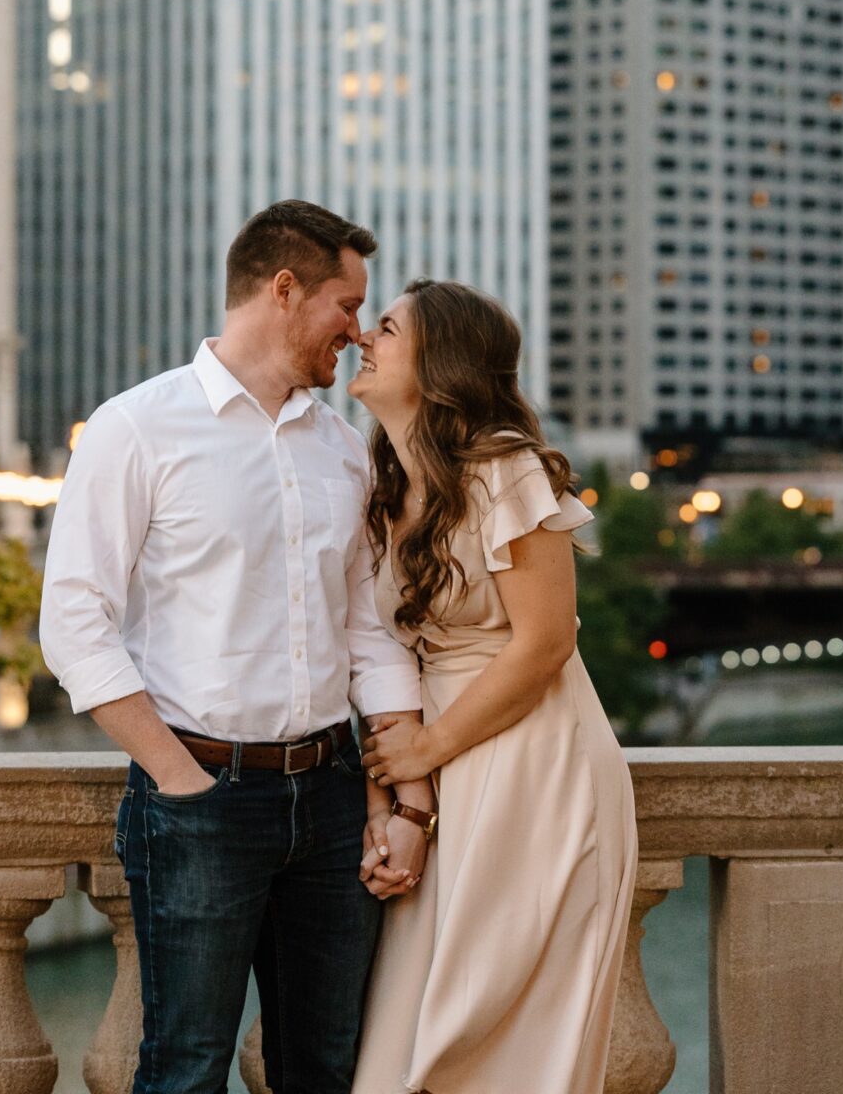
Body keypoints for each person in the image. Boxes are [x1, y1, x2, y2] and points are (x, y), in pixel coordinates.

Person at [39, 201, 436, 1094]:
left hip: (333, 801)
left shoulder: (344, 450)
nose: (357, 331)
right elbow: (73, 621)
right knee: (185, 1071)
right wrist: (178, 779)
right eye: (346, 305)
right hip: (198, 799)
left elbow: (367, 632)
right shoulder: (135, 427)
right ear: (283, 289)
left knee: (326, 1071)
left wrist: (406, 805)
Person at [347, 278, 637, 1094]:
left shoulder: (506, 469)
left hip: (534, 762)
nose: (363, 338)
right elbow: (376, 653)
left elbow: (545, 642)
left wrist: (427, 748)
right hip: (438, 768)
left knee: (500, 1037)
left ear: (439, 361)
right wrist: (397, 795)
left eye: (387, 328)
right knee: (406, 1035)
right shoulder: (384, 485)